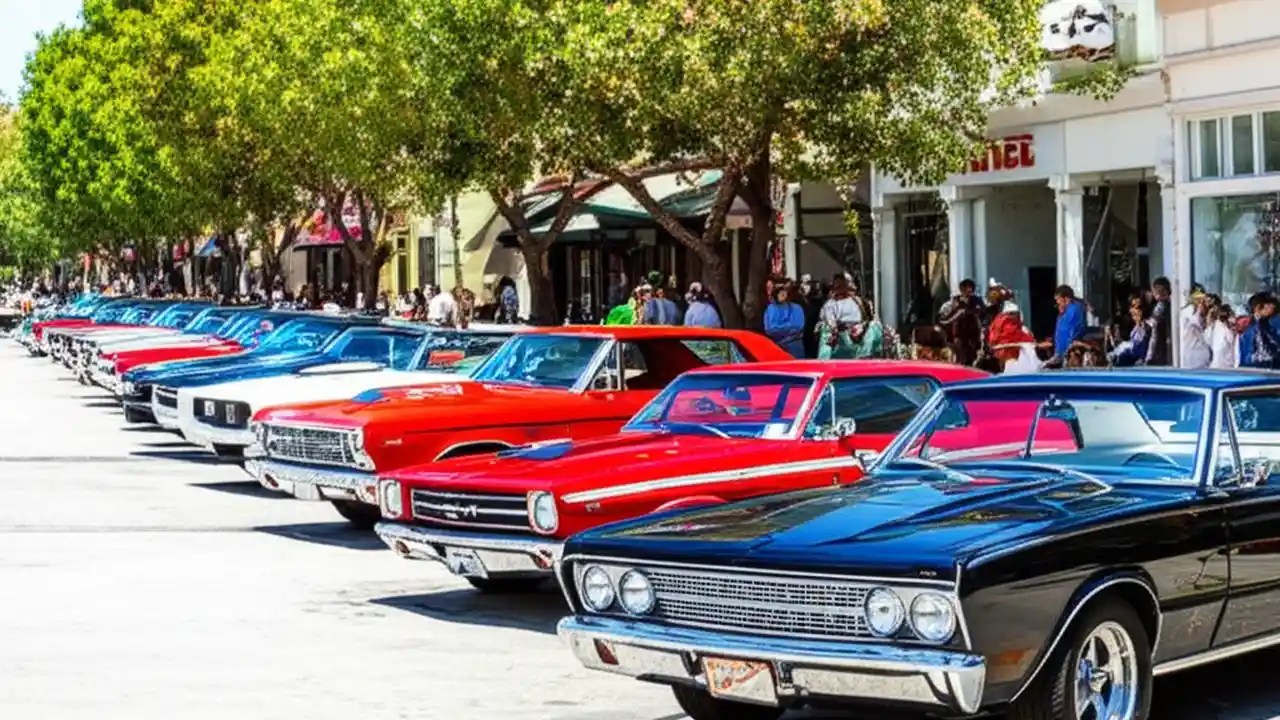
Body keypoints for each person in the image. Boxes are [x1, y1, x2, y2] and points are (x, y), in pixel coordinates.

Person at [937, 279, 984, 366]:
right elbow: (944, 318)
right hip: (958, 336)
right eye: (966, 287)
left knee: (971, 359)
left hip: (973, 336)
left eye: (970, 287)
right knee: (959, 358)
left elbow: (982, 315)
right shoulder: (954, 302)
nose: (968, 291)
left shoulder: (977, 301)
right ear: (961, 289)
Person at [817, 275, 863, 360]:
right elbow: (830, 323)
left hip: (856, 339)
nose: (839, 290)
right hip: (838, 341)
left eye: (842, 286)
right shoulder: (830, 304)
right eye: (836, 287)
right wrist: (836, 330)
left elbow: (863, 317)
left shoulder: (856, 300)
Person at [988, 300, 1037, 372]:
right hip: (1014, 358)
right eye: (1015, 314)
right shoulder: (1011, 326)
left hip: (1010, 359)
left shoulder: (997, 326)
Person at [1048, 284, 1087, 367]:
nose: (1057, 303)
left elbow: (1070, 332)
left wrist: (1061, 353)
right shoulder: (1065, 312)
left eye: (1058, 299)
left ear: (1066, 299)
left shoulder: (1073, 310)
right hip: (1064, 353)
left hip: (1069, 353)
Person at [1239, 292, 1279, 369]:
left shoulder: (1271, 324)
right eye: (1267, 304)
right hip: (1253, 366)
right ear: (1257, 307)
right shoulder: (1248, 325)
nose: (1272, 306)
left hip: (1271, 367)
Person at [764, 284, 805, 358]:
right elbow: (769, 329)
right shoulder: (770, 309)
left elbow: (798, 327)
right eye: (778, 292)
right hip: (776, 347)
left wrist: (780, 328)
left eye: (784, 291)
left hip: (794, 346)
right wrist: (788, 327)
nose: (782, 293)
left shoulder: (797, 308)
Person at [1108, 299, 1152, 367]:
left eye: (1135, 315)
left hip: (1137, 358)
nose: (1133, 317)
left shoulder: (1145, 326)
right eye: (1133, 315)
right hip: (1131, 353)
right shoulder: (1136, 327)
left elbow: (1137, 347)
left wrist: (1125, 347)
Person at [1179, 283, 1213, 369]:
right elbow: (1197, 323)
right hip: (1193, 359)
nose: (1201, 301)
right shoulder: (1188, 311)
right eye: (1197, 298)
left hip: (1202, 358)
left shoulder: (1201, 313)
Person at [1145, 277, 1173, 366]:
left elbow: (1153, 323)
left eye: (1156, 291)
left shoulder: (1161, 306)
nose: (1154, 294)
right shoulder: (1166, 305)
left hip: (1160, 345)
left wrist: (1146, 324)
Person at [1208, 300, 1239, 369]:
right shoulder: (1226, 329)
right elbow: (1232, 341)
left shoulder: (1214, 326)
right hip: (1225, 365)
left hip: (1215, 364)